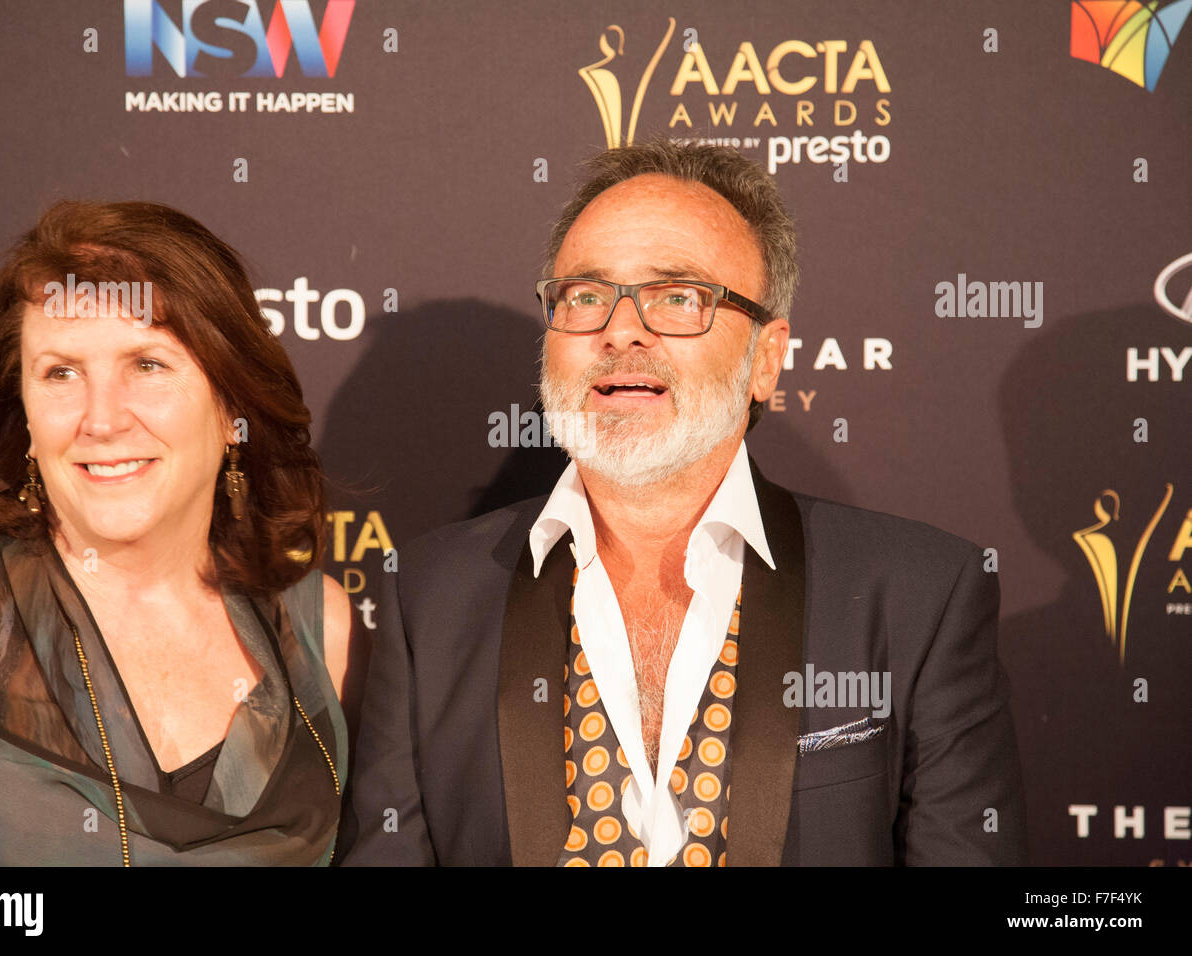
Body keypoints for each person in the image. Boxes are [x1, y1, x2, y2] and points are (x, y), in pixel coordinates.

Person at [340, 141, 1028, 866]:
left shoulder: (918, 595)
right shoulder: (432, 595)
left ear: (766, 359)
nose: (621, 329)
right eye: (585, 295)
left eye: (678, 297)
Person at [0, 200, 362, 865]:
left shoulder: (326, 632)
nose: (102, 419)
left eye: (147, 365)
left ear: (233, 406)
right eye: (61, 373)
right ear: (23, 413)